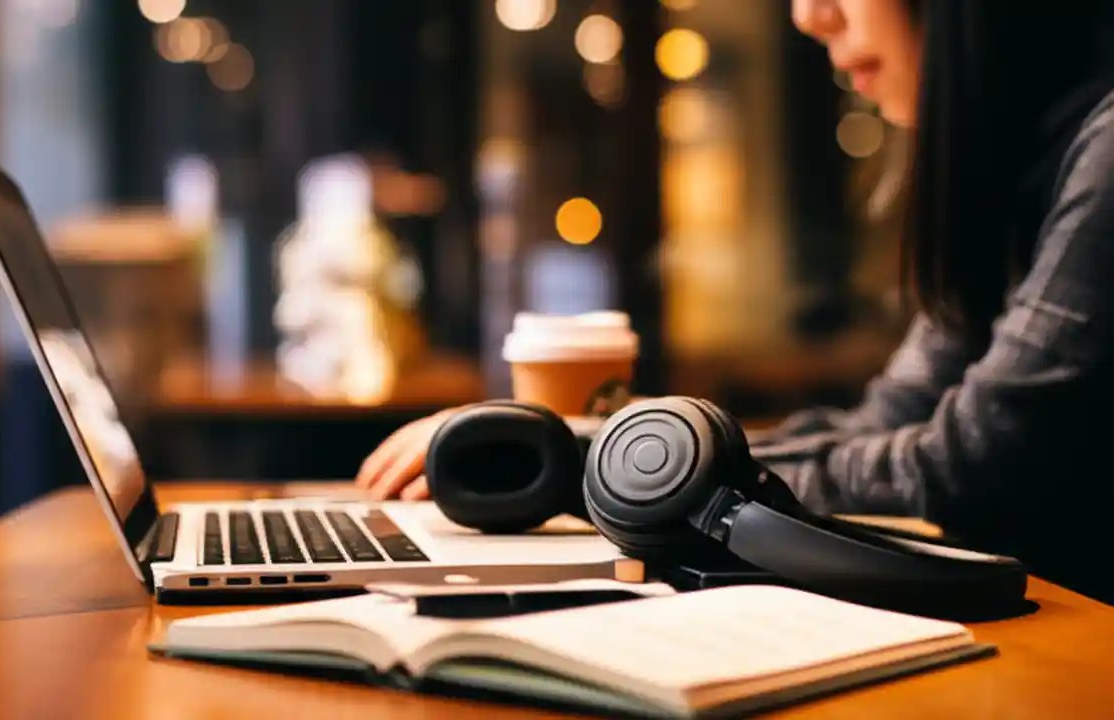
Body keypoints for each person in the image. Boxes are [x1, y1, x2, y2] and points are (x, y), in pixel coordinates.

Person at [357, 0, 1114, 603]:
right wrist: (592, 454)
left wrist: (588, 466)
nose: (809, 14)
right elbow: (887, 426)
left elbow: (968, 472)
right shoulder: (1014, 181)